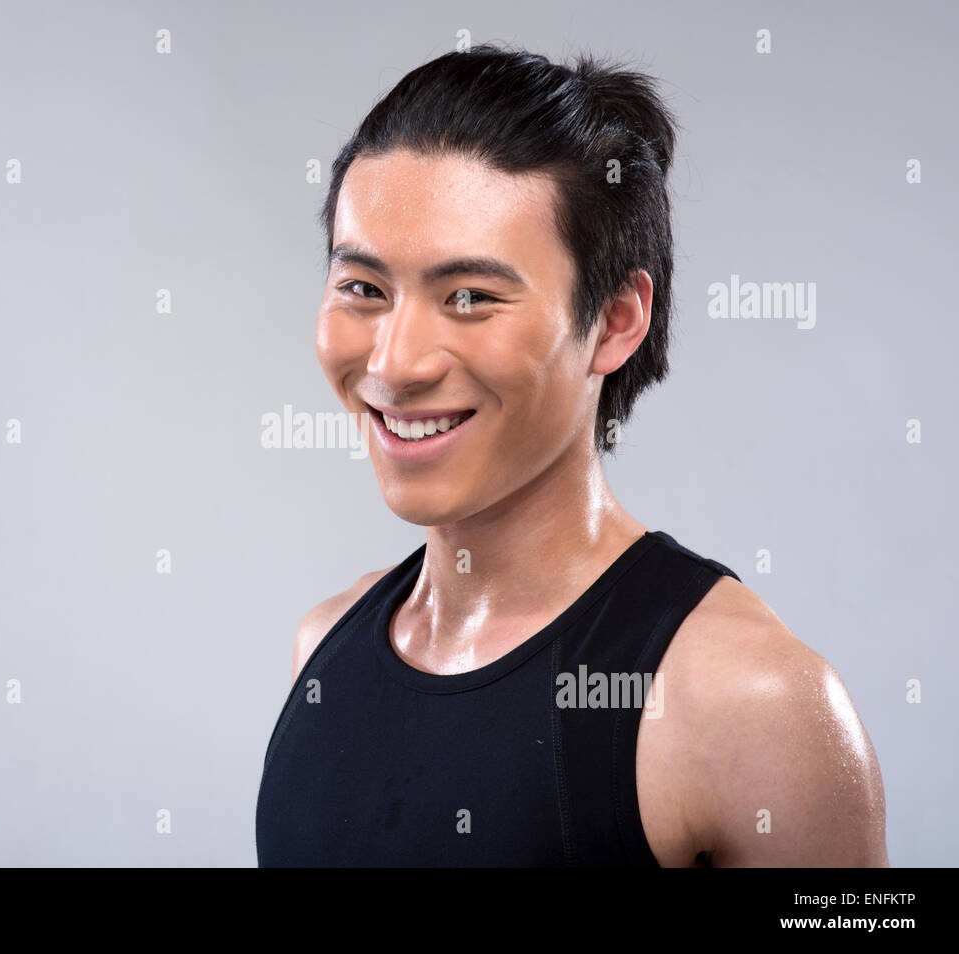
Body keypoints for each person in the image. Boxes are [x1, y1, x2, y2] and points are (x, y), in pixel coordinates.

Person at [255, 43, 887, 866]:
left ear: (618, 319)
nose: (394, 363)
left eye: (470, 297)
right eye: (365, 289)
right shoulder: (323, 646)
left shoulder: (750, 705)